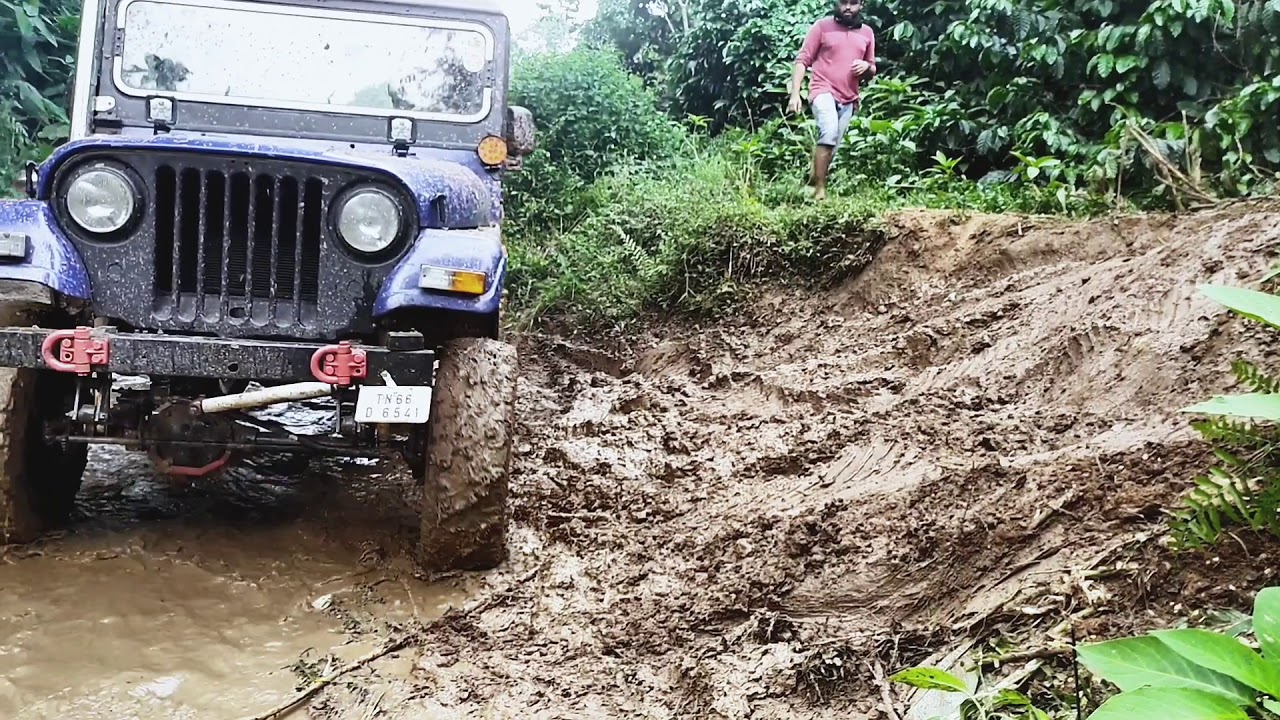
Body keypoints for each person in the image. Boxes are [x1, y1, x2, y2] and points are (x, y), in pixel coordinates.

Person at [788, 0, 877, 200]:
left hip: (849, 97)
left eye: (853, 3)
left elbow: (872, 67)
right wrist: (795, 94)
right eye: (843, 2)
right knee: (829, 132)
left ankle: (812, 182)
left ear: (861, 5)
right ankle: (820, 191)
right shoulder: (822, 27)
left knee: (832, 147)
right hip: (822, 89)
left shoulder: (867, 33)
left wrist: (866, 68)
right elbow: (802, 60)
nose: (848, 7)